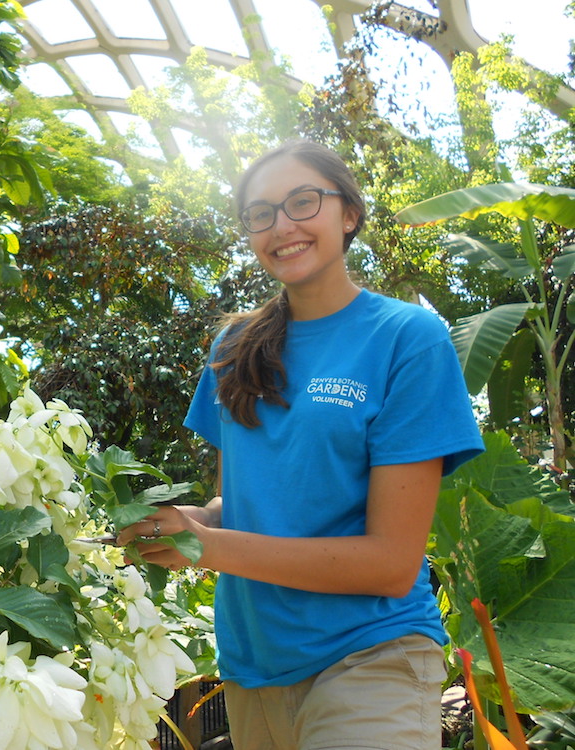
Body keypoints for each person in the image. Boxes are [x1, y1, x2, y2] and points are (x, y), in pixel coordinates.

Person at [116, 139, 484, 750]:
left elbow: (392, 564)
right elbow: (236, 505)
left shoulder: (406, 338)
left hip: (371, 656)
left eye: (302, 202)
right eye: (261, 214)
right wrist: (185, 525)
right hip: (254, 665)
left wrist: (208, 547)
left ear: (349, 214)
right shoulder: (234, 349)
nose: (281, 225)